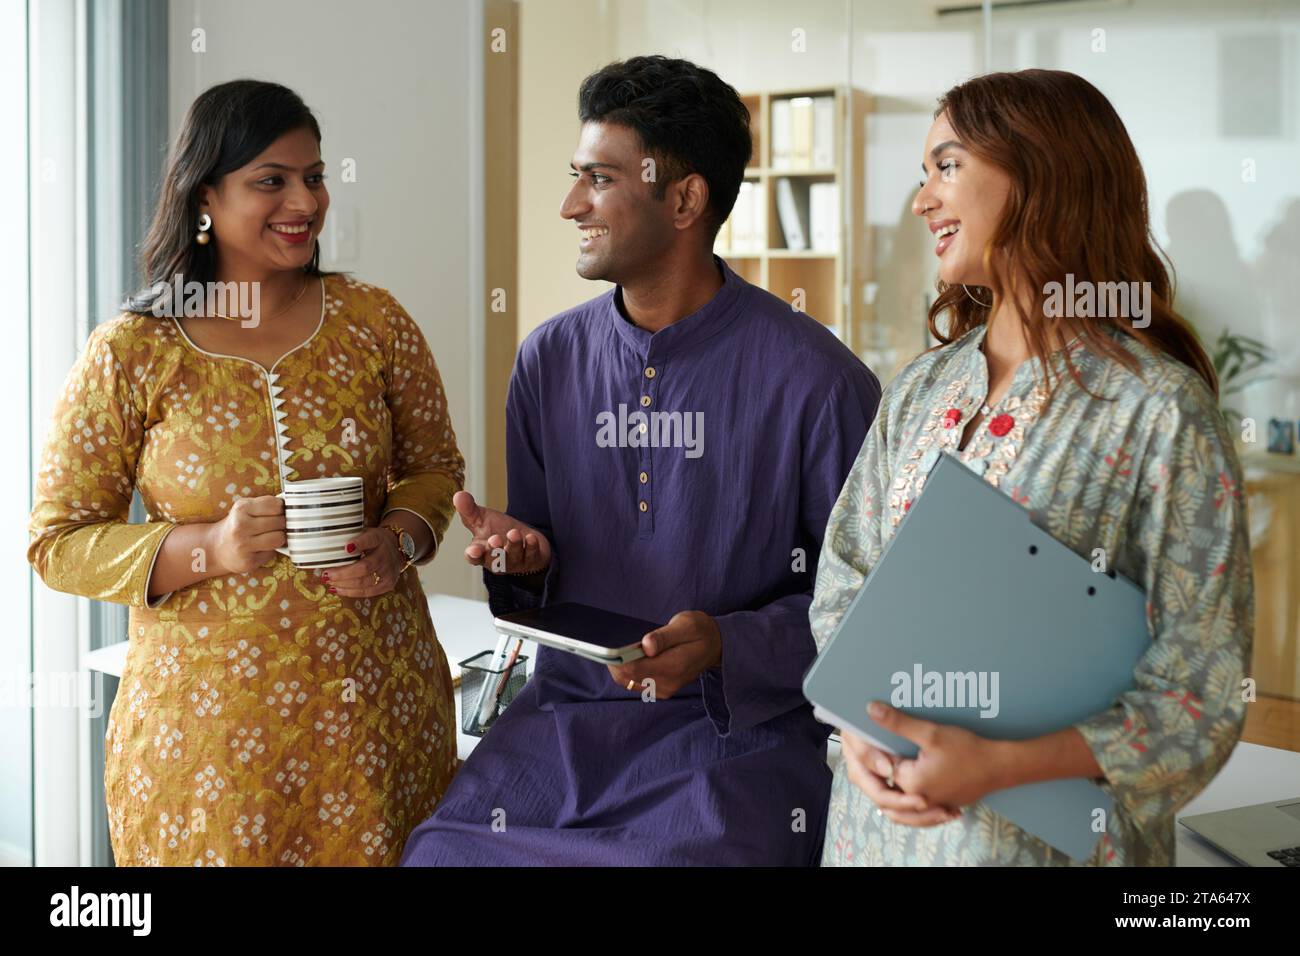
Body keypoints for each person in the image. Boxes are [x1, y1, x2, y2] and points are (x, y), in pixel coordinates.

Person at [400, 55, 880, 866]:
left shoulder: (818, 381)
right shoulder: (548, 361)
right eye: (574, 175)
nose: (569, 204)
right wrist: (522, 561)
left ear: (685, 198)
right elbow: (541, 586)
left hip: (732, 741)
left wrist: (728, 642)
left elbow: (865, 614)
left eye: (599, 178)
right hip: (562, 726)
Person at [811, 69, 1253, 866]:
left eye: (946, 167)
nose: (921, 201)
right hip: (868, 835)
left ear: (1039, 174)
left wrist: (1003, 765)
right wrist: (857, 725)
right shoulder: (919, 389)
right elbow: (843, 581)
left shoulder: (1158, 410)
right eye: (923, 175)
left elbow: (1202, 694)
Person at [27, 80, 464, 866]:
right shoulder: (132, 351)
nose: (305, 199)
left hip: (379, 721)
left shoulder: (374, 321)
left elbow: (434, 467)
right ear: (205, 197)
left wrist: (398, 539)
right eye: (272, 180)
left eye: (315, 176)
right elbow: (58, 543)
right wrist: (210, 548)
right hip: (207, 749)